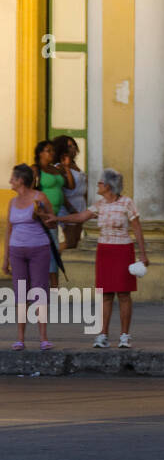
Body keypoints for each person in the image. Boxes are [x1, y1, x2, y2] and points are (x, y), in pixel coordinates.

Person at [54, 167, 148, 348]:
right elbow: (81, 217)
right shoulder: (100, 204)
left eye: (100, 182)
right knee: (105, 294)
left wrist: (143, 254)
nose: (97, 185)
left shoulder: (127, 203)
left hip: (123, 251)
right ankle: (103, 334)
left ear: (108, 185)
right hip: (104, 251)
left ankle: (124, 336)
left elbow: (137, 228)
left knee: (123, 294)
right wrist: (57, 219)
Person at [4, 165, 57, 351]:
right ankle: (20, 338)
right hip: (17, 250)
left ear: (21, 180)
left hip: (38, 250)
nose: (10, 181)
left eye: (13, 178)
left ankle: (43, 337)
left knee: (39, 292)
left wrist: (40, 214)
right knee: (20, 294)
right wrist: (5, 259)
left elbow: (52, 223)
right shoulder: (12, 202)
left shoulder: (39, 198)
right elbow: (8, 230)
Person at [35, 139, 73, 288]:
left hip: (55, 216)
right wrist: (41, 213)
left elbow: (69, 186)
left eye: (52, 150)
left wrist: (67, 167)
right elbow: (32, 191)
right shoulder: (35, 169)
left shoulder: (55, 169)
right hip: (44, 218)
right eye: (48, 150)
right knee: (49, 250)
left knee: (54, 250)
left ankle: (53, 285)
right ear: (40, 153)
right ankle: (50, 285)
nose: (52, 153)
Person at [53, 135, 88, 255]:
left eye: (73, 145)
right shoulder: (59, 167)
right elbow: (60, 190)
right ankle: (48, 256)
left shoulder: (75, 166)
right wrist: (69, 207)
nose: (73, 148)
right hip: (70, 206)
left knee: (76, 241)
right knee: (70, 241)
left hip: (80, 205)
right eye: (69, 146)